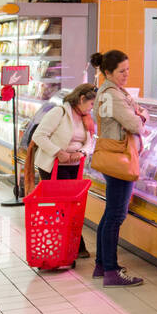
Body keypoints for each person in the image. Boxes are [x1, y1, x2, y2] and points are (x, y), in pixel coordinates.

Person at [91, 50, 147, 287]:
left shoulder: (105, 91)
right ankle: (111, 272)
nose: (126, 75)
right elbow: (134, 124)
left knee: (110, 213)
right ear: (108, 72)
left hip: (111, 154)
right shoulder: (113, 95)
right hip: (120, 157)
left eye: (127, 70)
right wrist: (143, 116)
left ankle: (102, 265)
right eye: (121, 71)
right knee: (116, 215)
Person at [30, 83, 97, 259]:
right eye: (90, 104)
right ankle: (61, 246)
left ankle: (73, 245)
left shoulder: (85, 119)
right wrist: (58, 152)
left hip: (74, 166)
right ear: (81, 99)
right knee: (59, 208)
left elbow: (90, 142)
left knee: (73, 207)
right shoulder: (58, 113)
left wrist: (81, 152)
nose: (91, 108)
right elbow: (39, 136)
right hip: (53, 166)